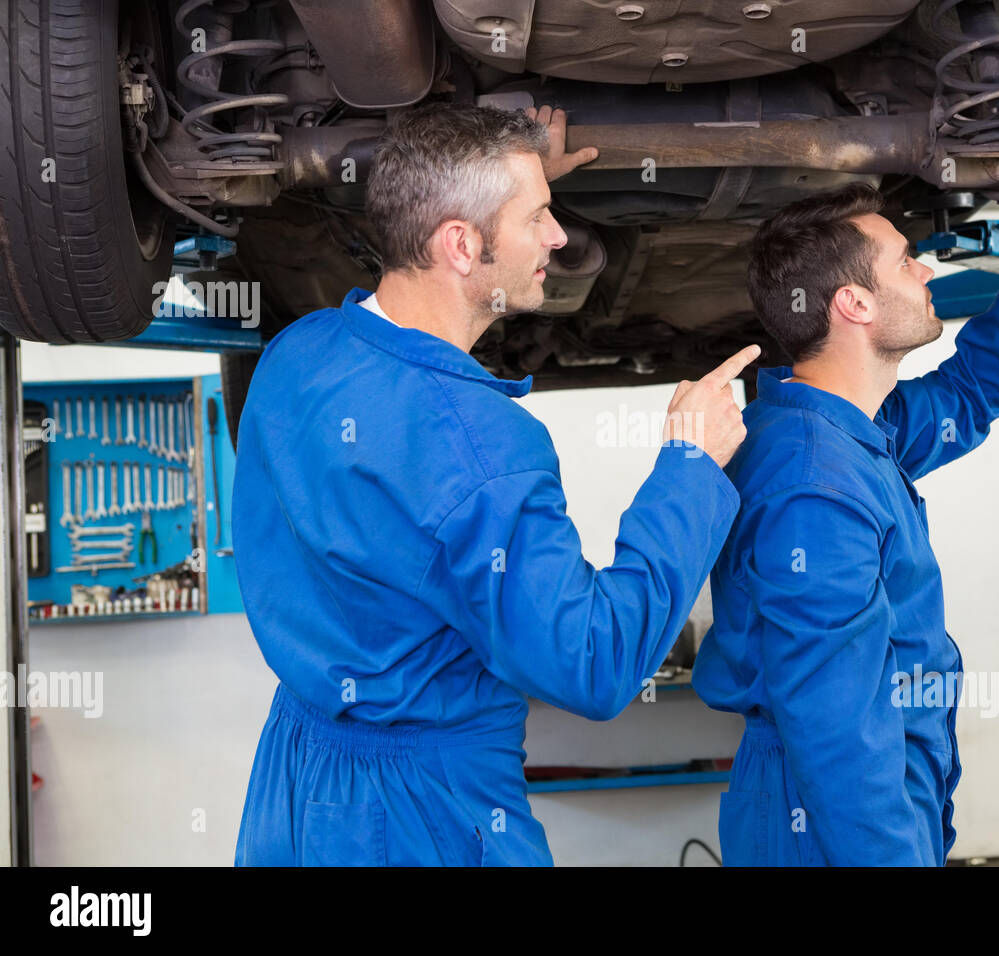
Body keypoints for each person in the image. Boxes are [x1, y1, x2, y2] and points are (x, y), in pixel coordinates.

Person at [232, 102, 759, 866]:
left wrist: (513, 177)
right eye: (538, 217)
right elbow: (593, 662)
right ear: (460, 243)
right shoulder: (479, 446)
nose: (558, 236)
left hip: (296, 781)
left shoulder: (299, 353)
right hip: (422, 815)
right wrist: (690, 466)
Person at [692, 141, 999, 866]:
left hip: (856, 787)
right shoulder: (814, 484)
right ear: (854, 304)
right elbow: (838, 731)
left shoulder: (844, 429)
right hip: (829, 810)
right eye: (906, 260)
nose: (925, 270)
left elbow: (964, 396)